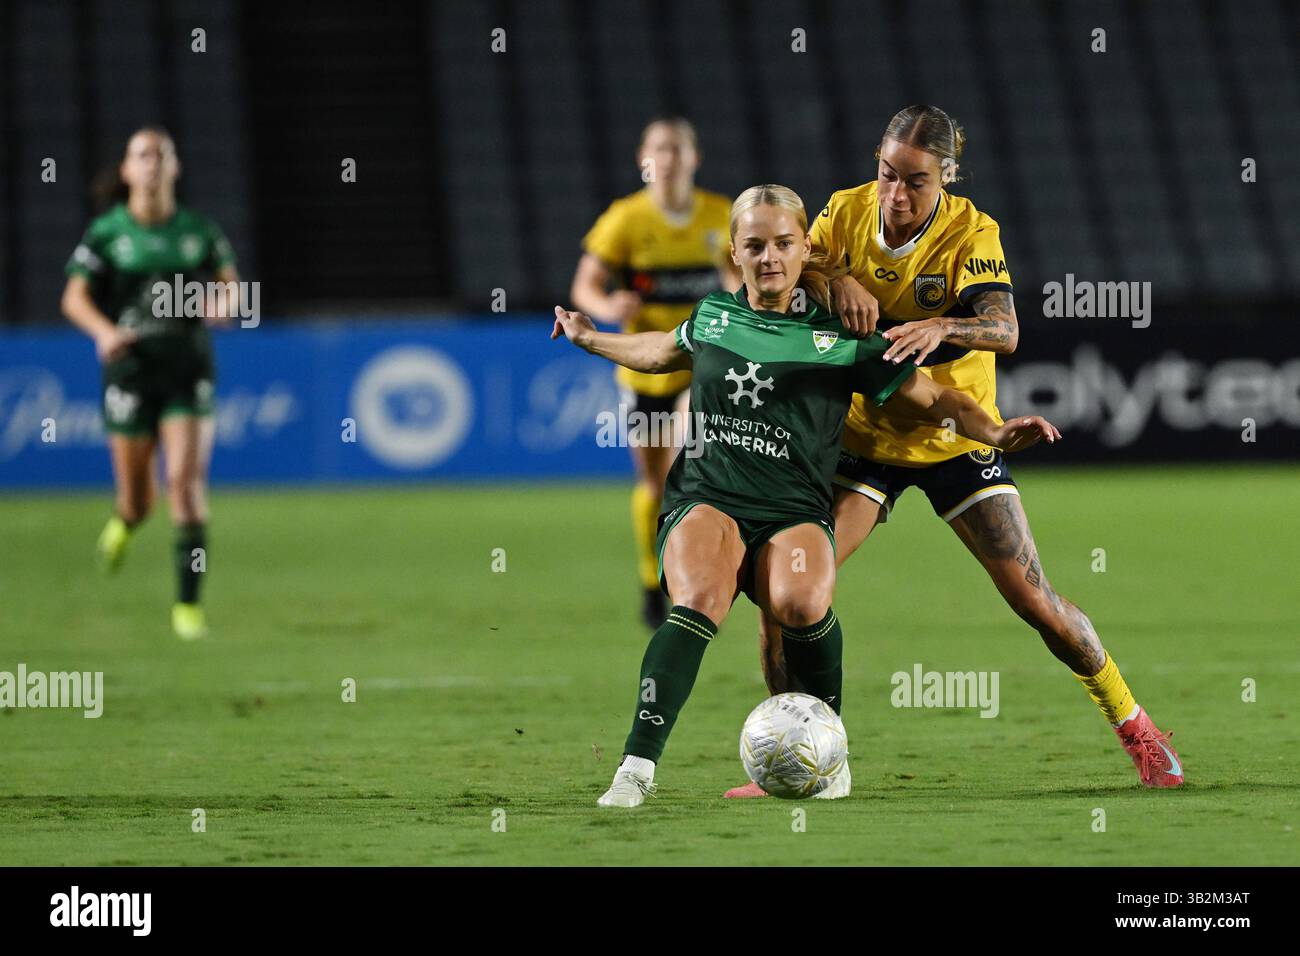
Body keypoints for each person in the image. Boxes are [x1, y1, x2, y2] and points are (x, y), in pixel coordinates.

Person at [553, 184, 1058, 807]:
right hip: (711, 494)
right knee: (701, 599)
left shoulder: (846, 336)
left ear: (804, 250)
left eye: (784, 244)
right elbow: (659, 351)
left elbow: (934, 400)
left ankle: (830, 756)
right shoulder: (714, 316)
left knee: (799, 602)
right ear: (734, 253)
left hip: (794, 507)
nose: (769, 257)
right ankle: (635, 768)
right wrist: (591, 339)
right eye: (754, 245)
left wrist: (996, 430)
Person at [728, 106, 1182, 797]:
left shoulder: (972, 233)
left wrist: (940, 325)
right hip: (862, 437)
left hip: (954, 433)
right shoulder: (845, 214)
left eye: (914, 181)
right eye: (886, 174)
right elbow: (799, 259)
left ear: (945, 176)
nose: (895, 195)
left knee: (1037, 604)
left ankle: (1137, 727)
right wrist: (833, 278)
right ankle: (813, 760)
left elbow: (1004, 328)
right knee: (780, 592)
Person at [61, 126, 240, 641]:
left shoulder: (200, 231)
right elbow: (73, 298)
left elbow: (235, 291)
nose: (153, 163)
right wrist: (103, 332)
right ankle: (124, 522)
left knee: (185, 484)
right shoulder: (108, 233)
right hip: (131, 373)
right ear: (126, 170)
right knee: (140, 500)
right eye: (142, 155)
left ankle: (188, 607)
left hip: (187, 370)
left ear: (176, 167)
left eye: (162, 154)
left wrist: (224, 308)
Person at [571, 116, 741, 628]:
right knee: (652, 487)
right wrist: (607, 304)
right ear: (644, 160)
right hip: (644, 371)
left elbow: (739, 275)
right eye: (659, 149)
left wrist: (737, 300)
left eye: (677, 149)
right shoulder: (626, 220)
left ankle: (699, 576)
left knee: (685, 465)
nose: (667, 159)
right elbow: (585, 286)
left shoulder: (720, 215)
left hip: (699, 363)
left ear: (693, 158)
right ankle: (652, 579)